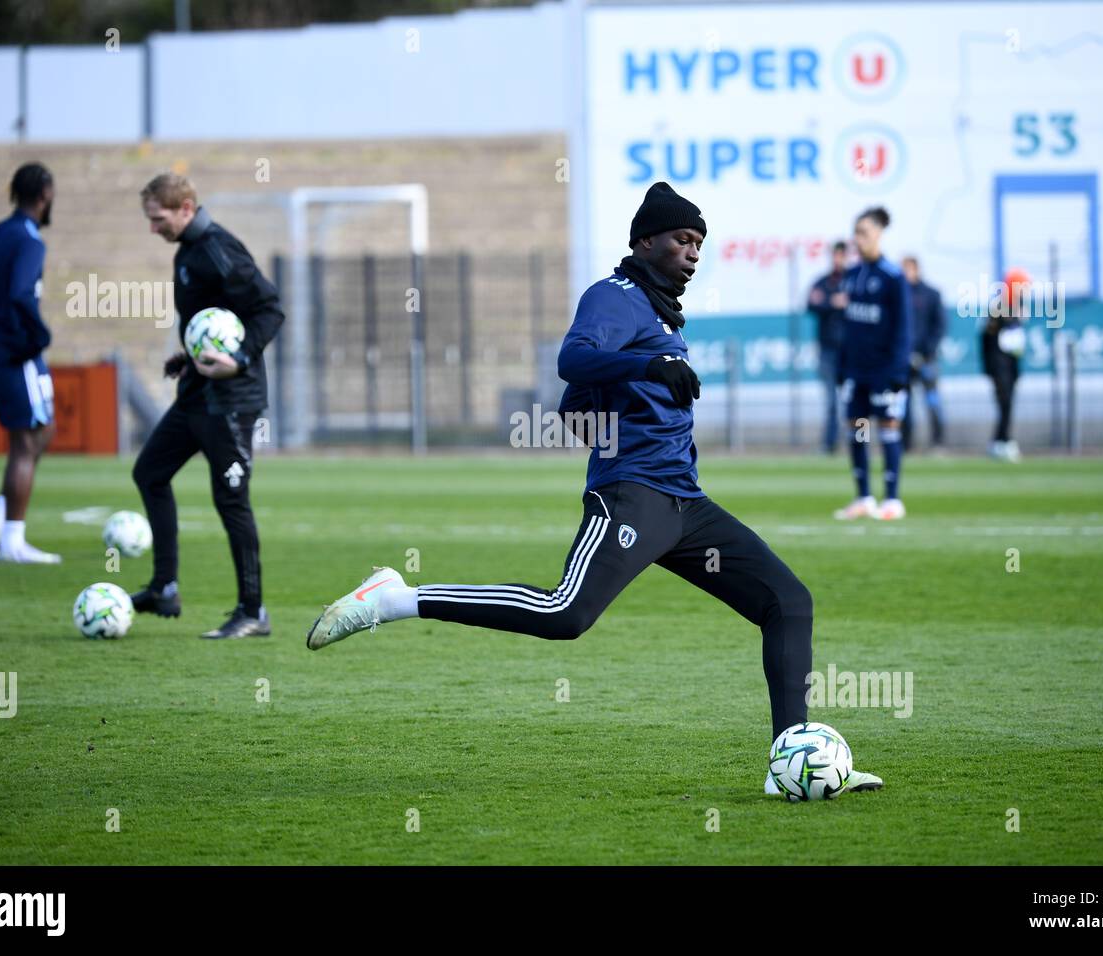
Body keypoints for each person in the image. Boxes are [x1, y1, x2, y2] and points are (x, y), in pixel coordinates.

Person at [306, 181, 883, 796]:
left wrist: (606, 401)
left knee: (787, 602)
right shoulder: (616, 296)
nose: (693, 253)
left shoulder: (659, 310)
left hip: (683, 504)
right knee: (567, 614)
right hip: (632, 494)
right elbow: (573, 359)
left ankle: (789, 766)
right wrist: (644, 367)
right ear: (644, 241)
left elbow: (577, 406)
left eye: (699, 244)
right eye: (682, 240)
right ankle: (396, 597)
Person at [131, 174, 285, 638]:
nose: (152, 228)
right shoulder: (189, 252)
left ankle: (253, 613)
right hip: (198, 394)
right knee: (150, 473)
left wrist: (236, 360)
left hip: (231, 403)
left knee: (230, 501)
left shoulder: (219, 249)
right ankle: (164, 587)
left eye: (158, 219)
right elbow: (216, 322)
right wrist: (191, 358)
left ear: (186, 208)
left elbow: (269, 309)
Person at [0, 163, 61, 564]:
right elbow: (21, 294)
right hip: (15, 353)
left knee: (43, 430)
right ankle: (13, 542)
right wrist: (38, 336)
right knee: (27, 439)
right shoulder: (29, 240)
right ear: (44, 193)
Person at [833, 207, 912, 521]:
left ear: (879, 233)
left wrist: (898, 370)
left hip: (884, 370)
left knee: (889, 428)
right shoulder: (852, 276)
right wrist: (842, 366)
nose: (858, 239)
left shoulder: (892, 277)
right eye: (856, 232)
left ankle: (892, 500)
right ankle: (864, 497)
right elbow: (847, 327)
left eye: (864, 232)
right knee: (857, 430)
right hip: (856, 369)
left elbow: (904, 328)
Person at [981, 268, 1030, 463]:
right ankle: (1003, 441)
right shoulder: (999, 308)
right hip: (999, 366)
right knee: (1005, 403)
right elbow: (990, 337)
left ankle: (1000, 440)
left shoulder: (1018, 308)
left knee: (1008, 404)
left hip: (1011, 366)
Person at [901, 256, 947, 451]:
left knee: (932, 401)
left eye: (909, 269)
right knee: (903, 405)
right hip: (903, 360)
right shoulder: (897, 295)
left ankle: (937, 442)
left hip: (927, 359)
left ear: (917, 269)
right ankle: (906, 444)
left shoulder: (931, 294)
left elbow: (939, 326)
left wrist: (926, 350)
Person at [807, 241, 848, 454]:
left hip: (851, 351)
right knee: (832, 402)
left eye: (842, 256)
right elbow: (812, 303)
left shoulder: (855, 281)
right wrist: (833, 302)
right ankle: (830, 445)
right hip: (828, 350)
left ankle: (858, 442)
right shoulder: (823, 282)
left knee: (854, 402)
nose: (838, 260)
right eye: (835, 256)